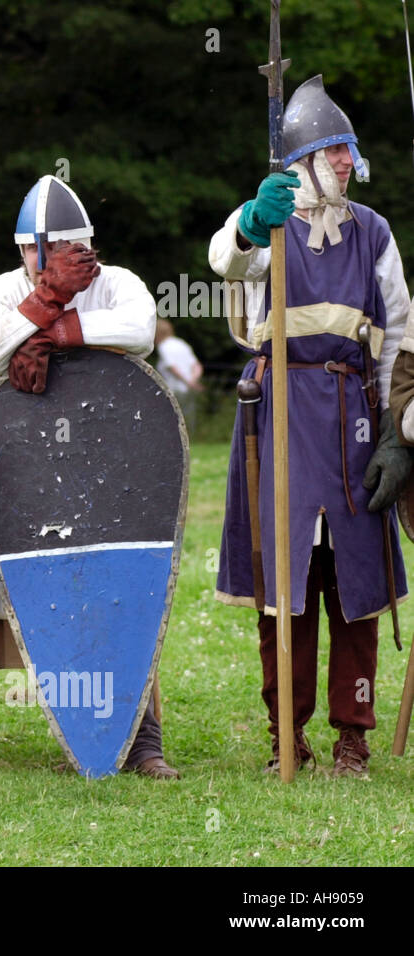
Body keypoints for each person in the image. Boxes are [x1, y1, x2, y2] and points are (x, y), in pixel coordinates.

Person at [211, 75, 409, 778]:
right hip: (281, 420)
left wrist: (396, 432)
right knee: (283, 588)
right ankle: (284, 737)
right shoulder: (267, 224)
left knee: (356, 584)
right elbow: (222, 259)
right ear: (303, 162)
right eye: (335, 152)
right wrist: (248, 223)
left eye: (350, 152)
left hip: (353, 416)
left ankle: (352, 736)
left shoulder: (374, 233)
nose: (349, 162)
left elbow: (402, 335)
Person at [0, 173, 179, 779]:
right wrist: (40, 301)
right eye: (35, 250)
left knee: (124, 593)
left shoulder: (118, 285)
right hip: (36, 474)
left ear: (83, 245)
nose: (43, 259)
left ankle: (144, 742)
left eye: (56, 249)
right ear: (21, 249)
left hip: (115, 465)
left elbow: (139, 330)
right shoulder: (4, 290)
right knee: (55, 598)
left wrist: (56, 332)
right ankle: (87, 729)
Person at [154, 318, 203, 431]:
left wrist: (188, 382)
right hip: (188, 389)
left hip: (174, 389)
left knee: (172, 420)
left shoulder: (164, 346)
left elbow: (172, 368)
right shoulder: (181, 344)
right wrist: (193, 382)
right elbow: (197, 366)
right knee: (188, 418)